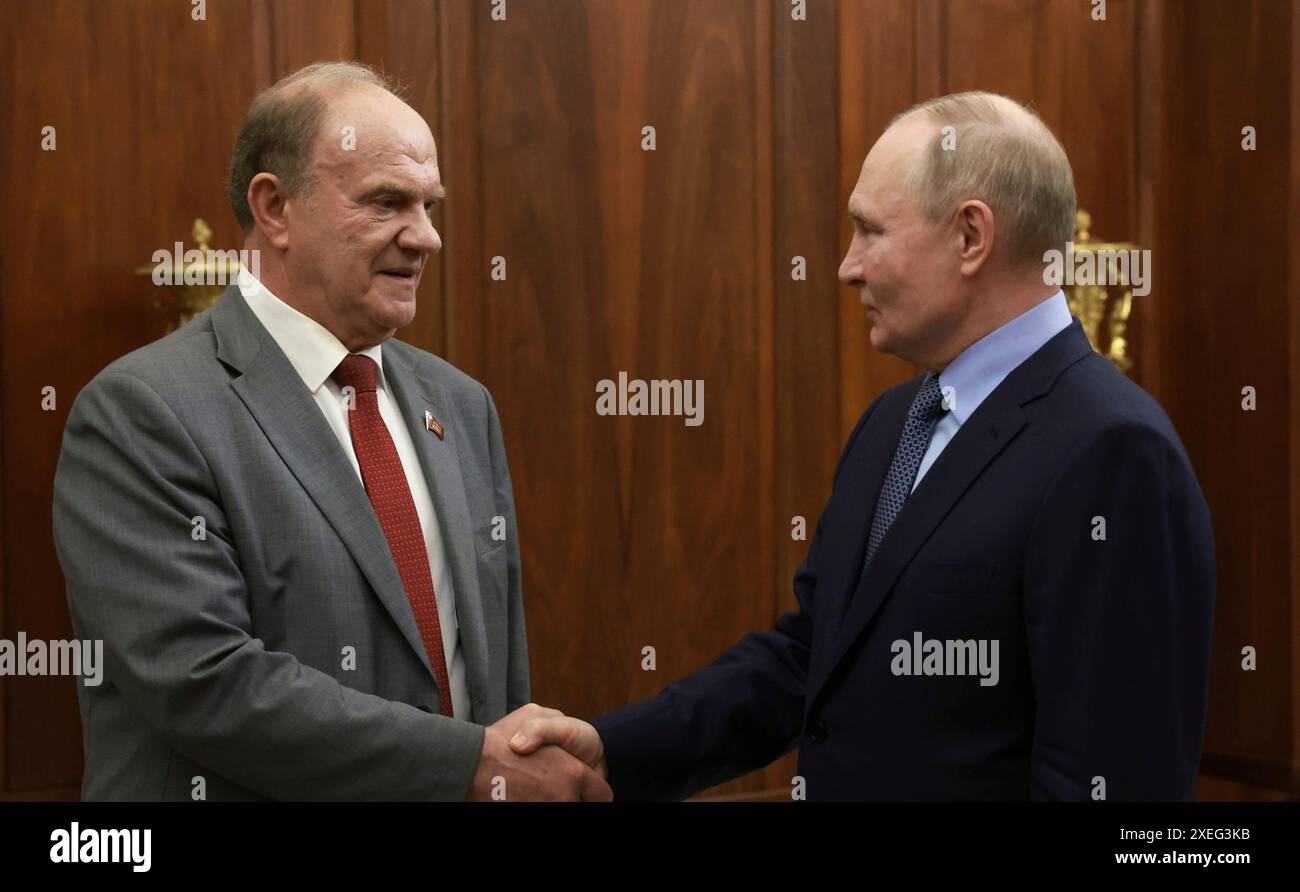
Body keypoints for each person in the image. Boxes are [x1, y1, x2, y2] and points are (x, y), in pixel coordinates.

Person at [509, 91, 1217, 801]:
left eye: (870, 231)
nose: (848, 267)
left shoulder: (1114, 451)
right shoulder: (897, 420)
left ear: (972, 236)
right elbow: (811, 658)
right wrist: (611, 750)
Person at [53, 61, 609, 802]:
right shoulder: (143, 411)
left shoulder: (461, 404)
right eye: (387, 203)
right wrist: (470, 767)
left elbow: (493, 677)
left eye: (430, 205)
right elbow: (207, 683)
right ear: (275, 207)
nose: (426, 237)